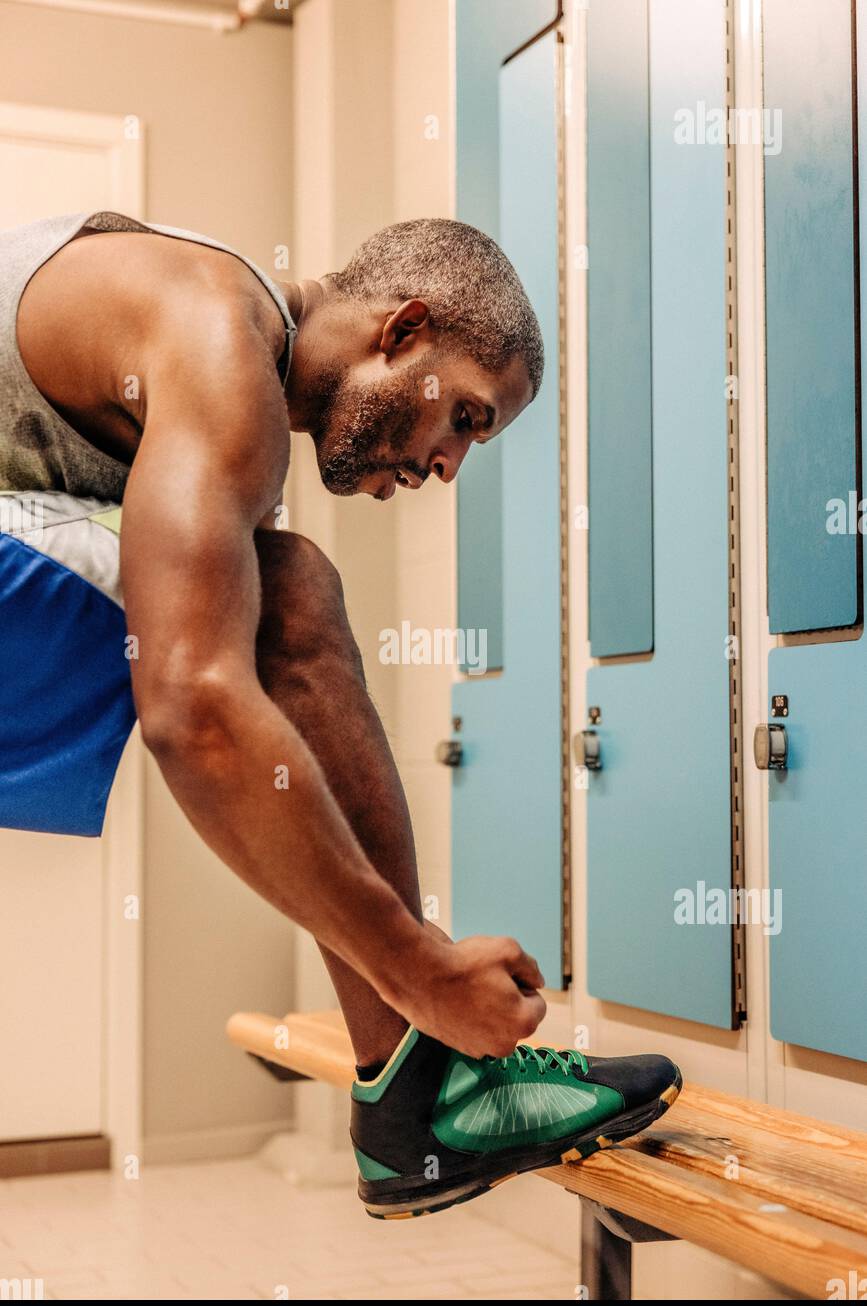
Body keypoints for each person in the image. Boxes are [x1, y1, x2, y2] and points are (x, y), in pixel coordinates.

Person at [0, 211, 680, 1215]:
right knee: (289, 599)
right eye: (469, 418)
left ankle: (415, 1087)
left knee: (278, 590)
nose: (449, 464)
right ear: (402, 332)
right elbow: (192, 706)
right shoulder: (218, 338)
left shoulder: (217, 351)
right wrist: (424, 969)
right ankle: (422, 1084)